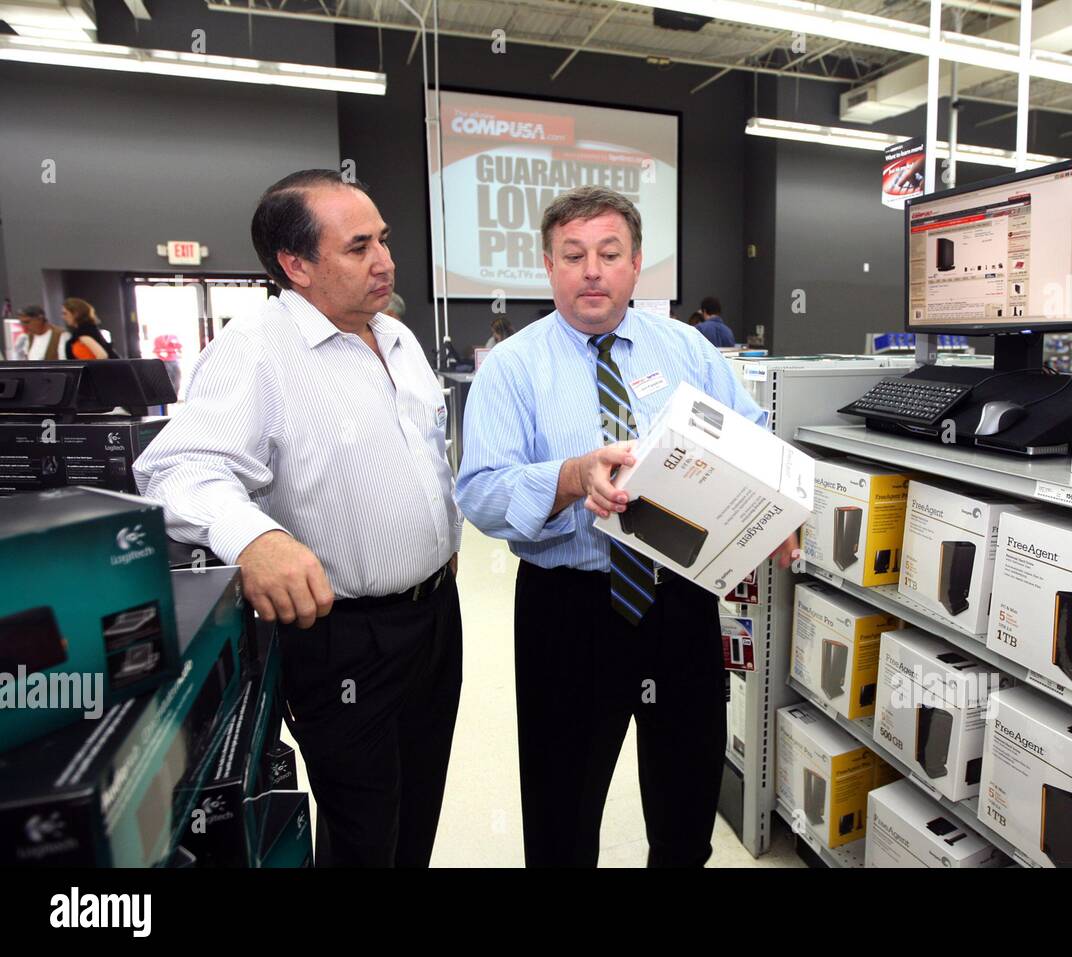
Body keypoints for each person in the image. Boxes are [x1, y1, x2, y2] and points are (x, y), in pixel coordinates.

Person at [456, 185, 797, 868]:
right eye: (573, 254)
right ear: (547, 265)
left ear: (635, 263)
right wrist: (573, 476)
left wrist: (777, 512)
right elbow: (480, 493)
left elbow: (752, 439)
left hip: (679, 600)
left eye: (609, 253)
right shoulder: (512, 369)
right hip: (568, 609)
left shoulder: (689, 351)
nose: (592, 270)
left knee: (686, 799)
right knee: (561, 811)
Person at [134, 169, 463, 868]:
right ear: (296, 264)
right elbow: (177, 469)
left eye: (384, 239)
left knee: (420, 804)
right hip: (347, 636)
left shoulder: (396, 340)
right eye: (358, 247)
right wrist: (254, 536)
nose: (385, 260)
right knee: (365, 831)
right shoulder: (256, 349)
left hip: (436, 618)